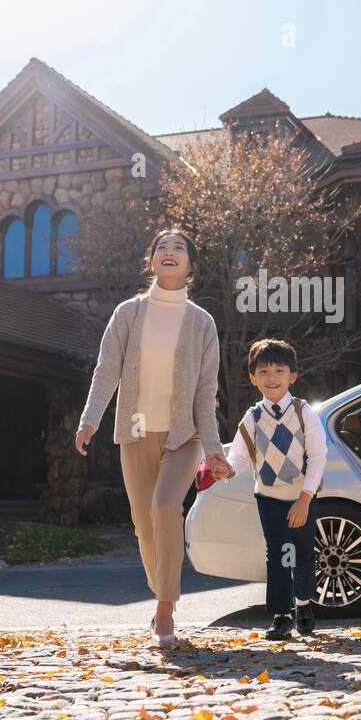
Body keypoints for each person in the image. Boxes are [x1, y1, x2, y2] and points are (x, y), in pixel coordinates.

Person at [75, 229, 232, 646]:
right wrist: (90, 418)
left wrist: (213, 449)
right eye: (162, 246)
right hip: (137, 429)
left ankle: (165, 608)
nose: (169, 252)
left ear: (191, 266)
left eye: (179, 248)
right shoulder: (128, 313)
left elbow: (205, 392)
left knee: (166, 507)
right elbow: (108, 368)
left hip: (185, 435)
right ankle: (161, 590)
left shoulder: (202, 322)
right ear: (151, 261)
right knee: (144, 526)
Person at [221, 338, 326, 641]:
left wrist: (305, 498)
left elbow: (318, 456)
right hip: (268, 496)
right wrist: (227, 470)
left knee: (304, 552)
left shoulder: (304, 412)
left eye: (279, 370)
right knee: (279, 554)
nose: (272, 377)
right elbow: (240, 457)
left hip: (302, 495)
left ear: (293, 376)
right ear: (253, 378)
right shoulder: (252, 418)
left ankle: (305, 605)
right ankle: (282, 615)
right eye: (263, 371)